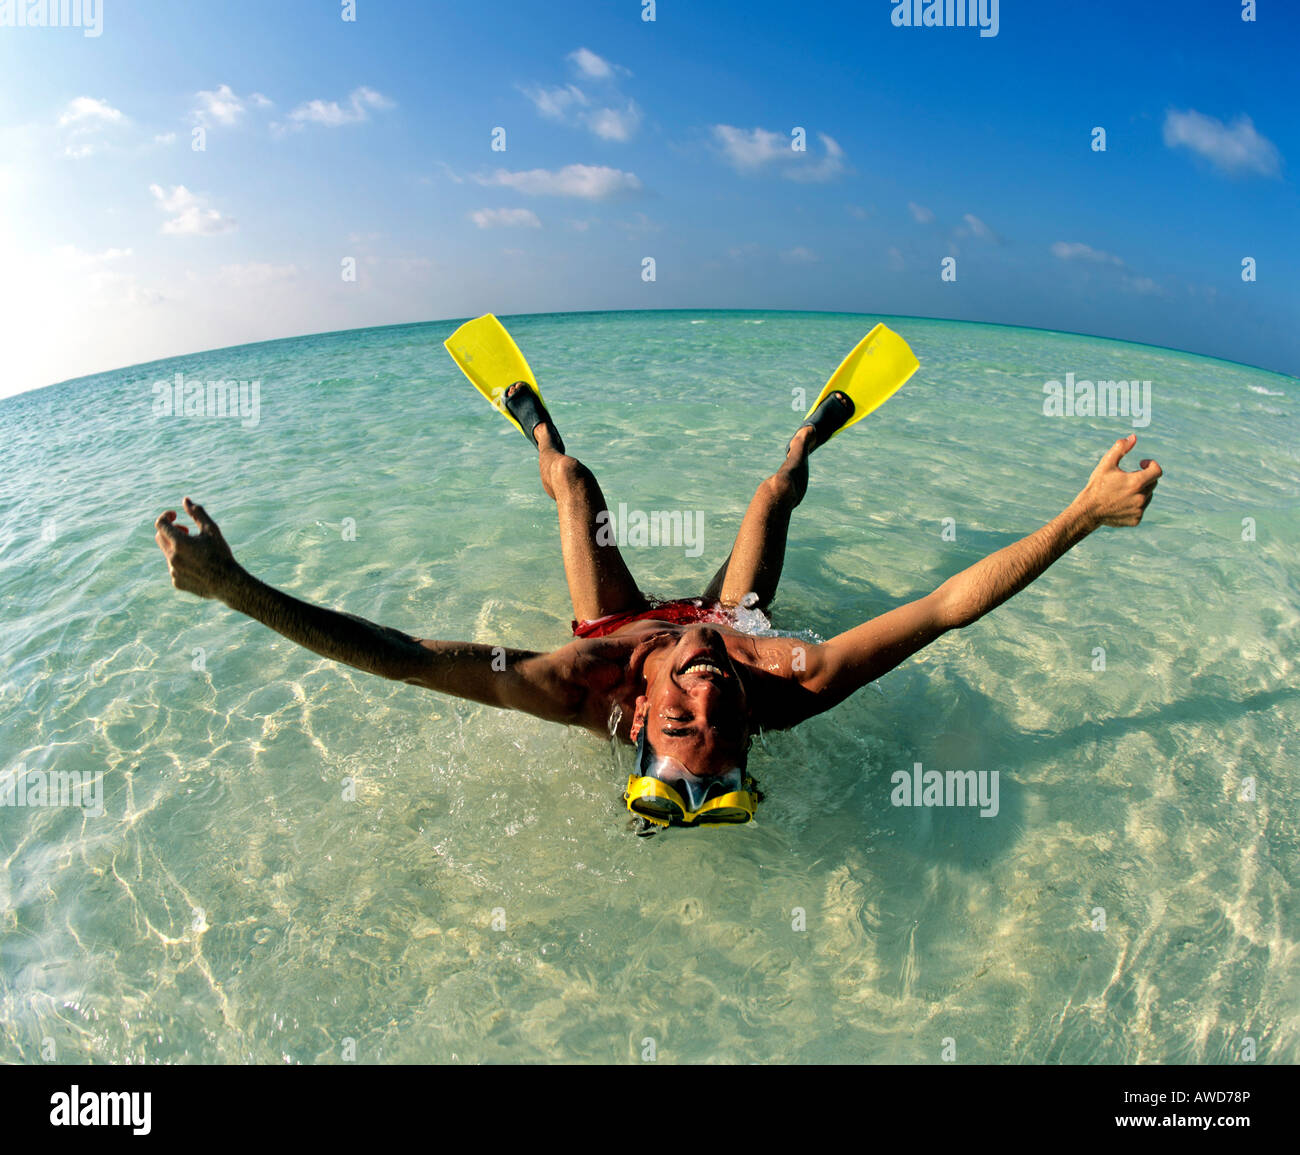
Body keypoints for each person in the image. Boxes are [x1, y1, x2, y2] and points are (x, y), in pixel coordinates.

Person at [155, 355, 1161, 830]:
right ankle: (811, 432)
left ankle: (533, 424)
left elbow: (405, 657)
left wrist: (239, 589)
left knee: (578, 481)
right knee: (774, 493)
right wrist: (1079, 517)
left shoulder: (576, 682)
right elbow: (946, 608)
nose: (709, 690)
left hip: (621, 624)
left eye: (682, 714)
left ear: (634, 714)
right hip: (737, 609)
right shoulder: (780, 678)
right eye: (723, 716)